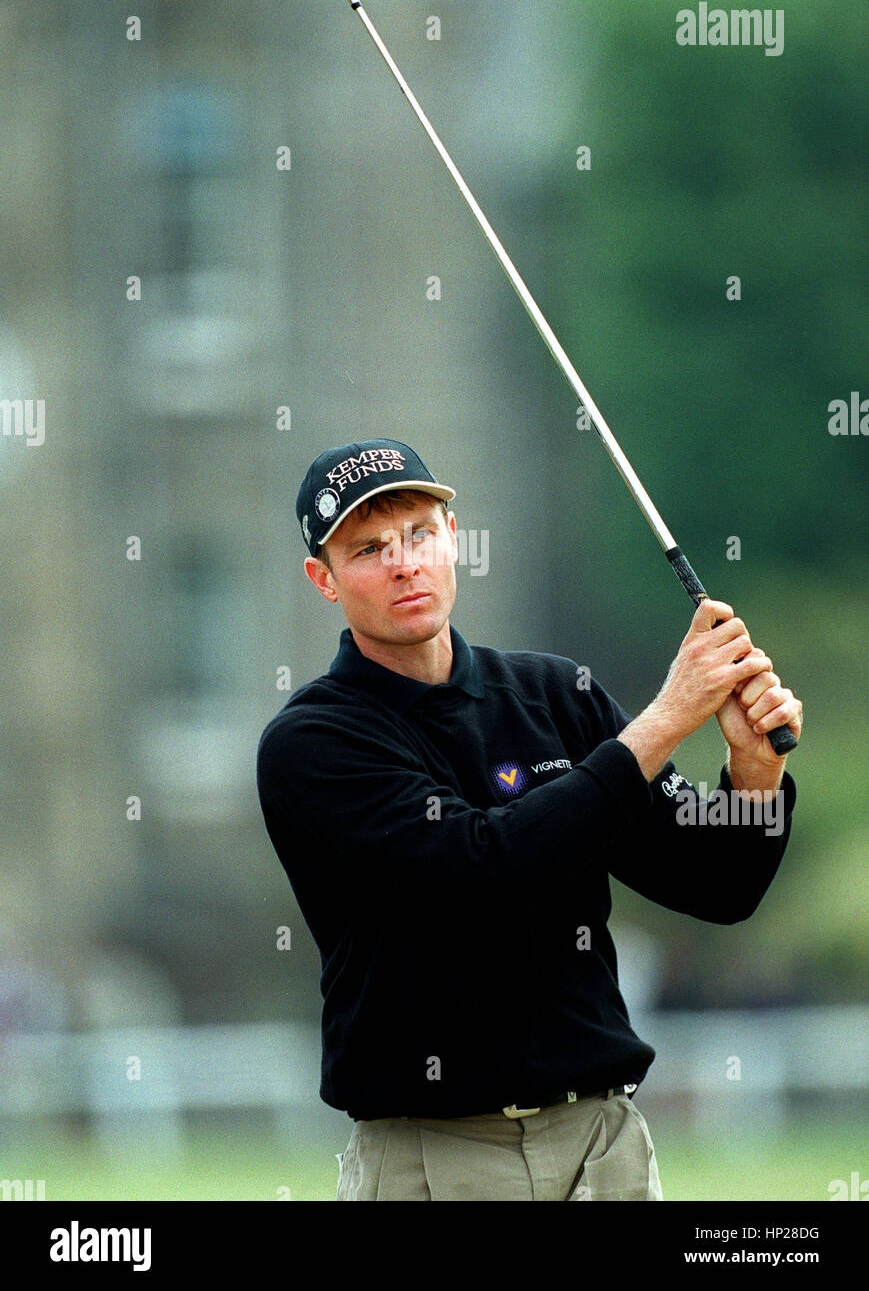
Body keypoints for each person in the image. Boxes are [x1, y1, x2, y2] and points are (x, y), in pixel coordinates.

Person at [256, 438, 802, 1201]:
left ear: (452, 538)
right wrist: (664, 721)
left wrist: (753, 770)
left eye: (418, 534)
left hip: (602, 1146)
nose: (404, 563)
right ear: (324, 578)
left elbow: (715, 886)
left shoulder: (555, 693)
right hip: (433, 1155)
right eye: (369, 549)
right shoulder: (313, 741)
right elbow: (479, 870)